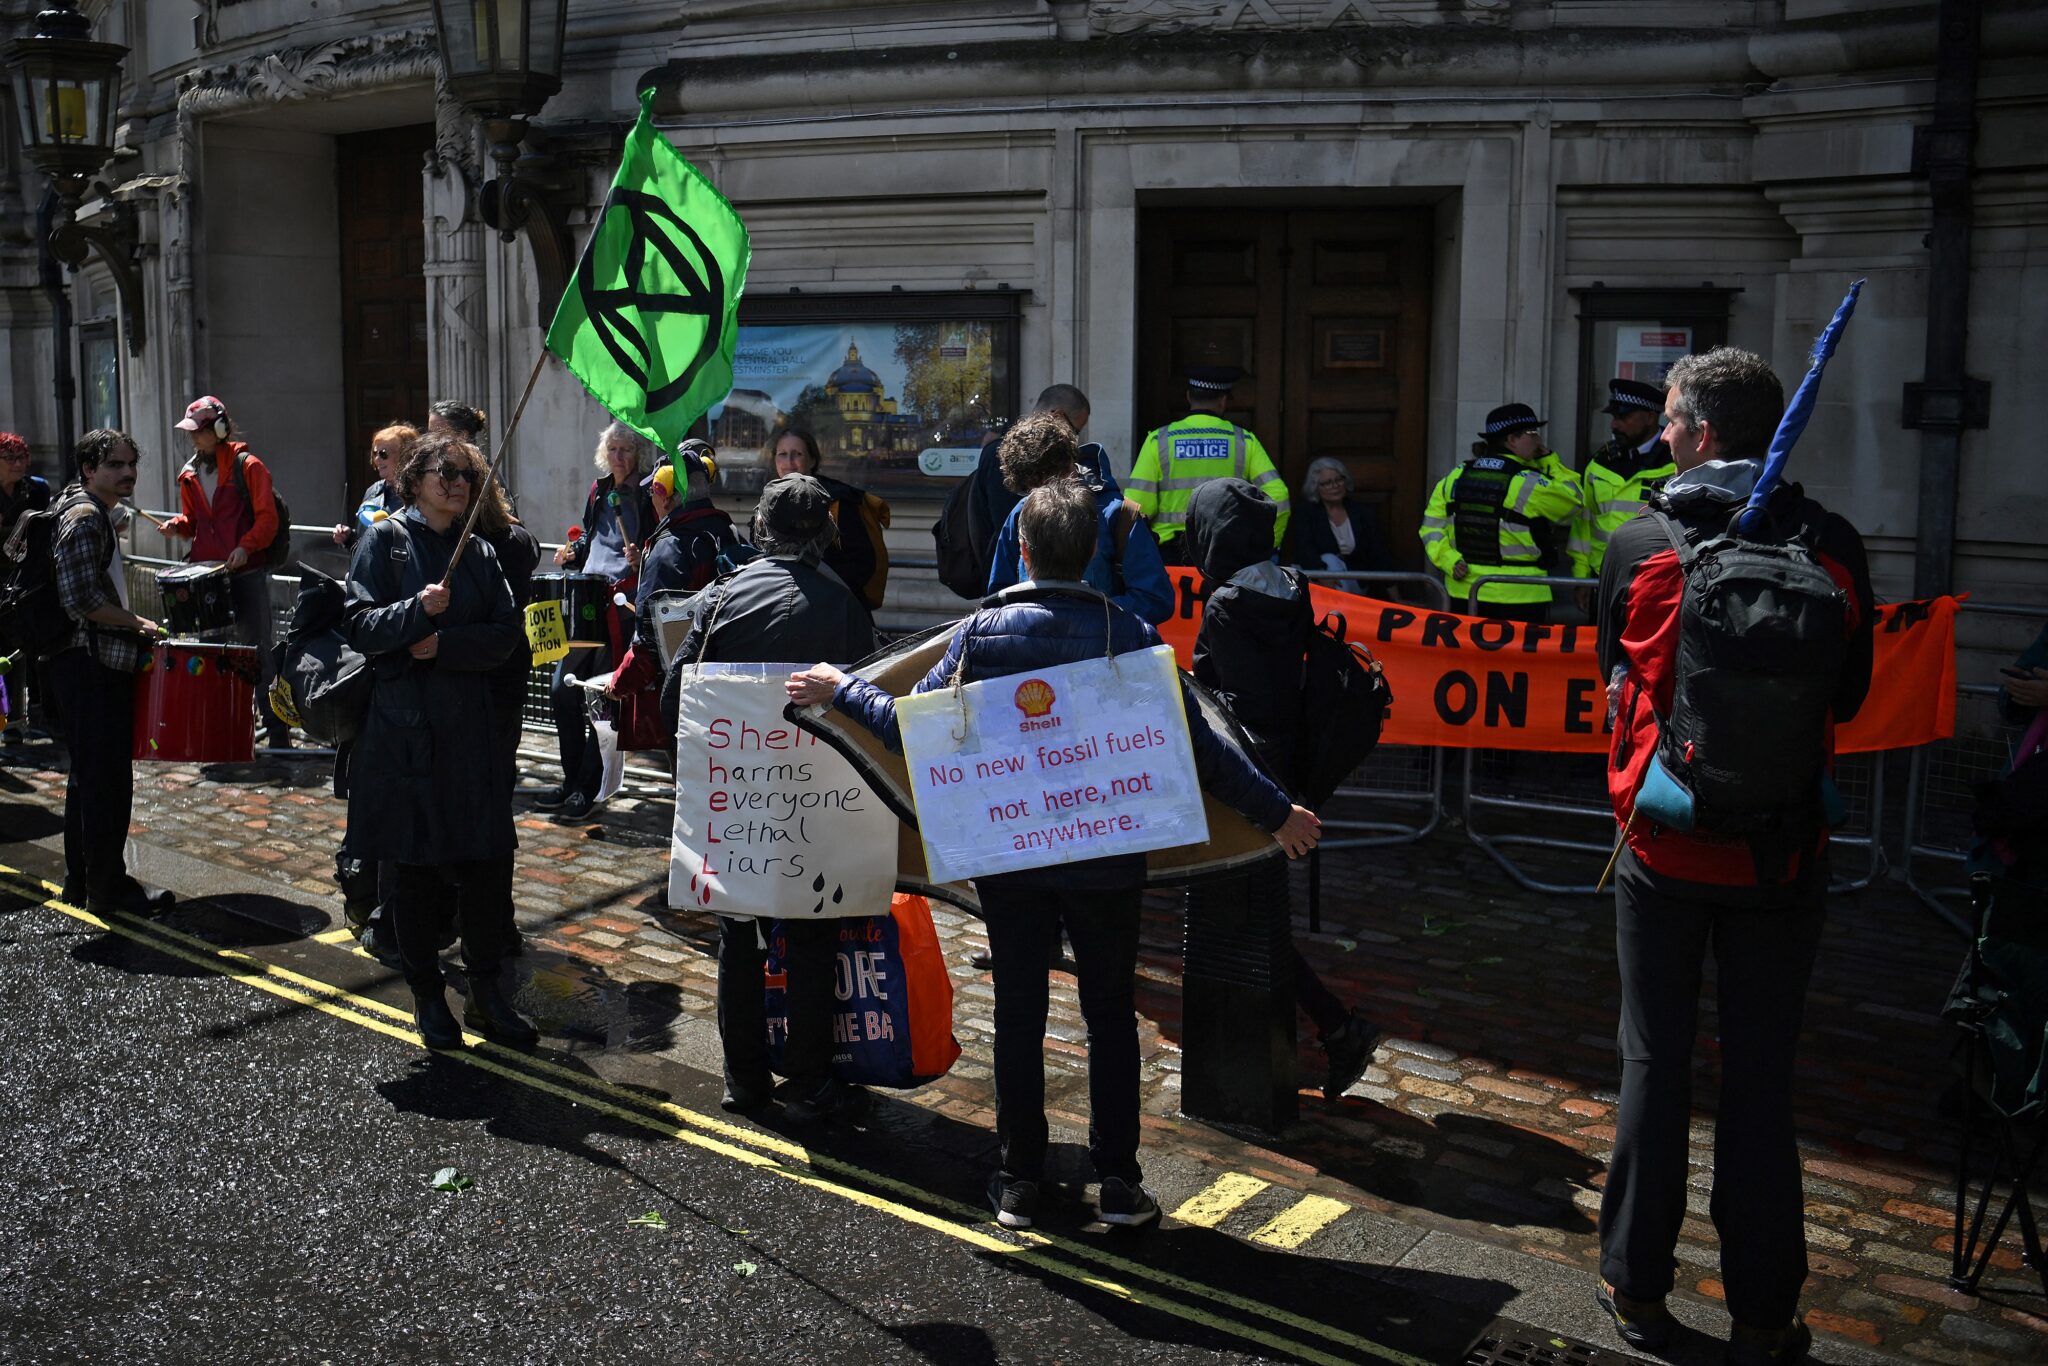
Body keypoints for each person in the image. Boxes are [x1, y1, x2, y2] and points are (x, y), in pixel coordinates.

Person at [788, 477, 1321, 1231]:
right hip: (1107, 861)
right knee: (1110, 1018)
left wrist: (841, 688)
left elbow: (909, 726)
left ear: (1024, 550)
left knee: (1018, 1015)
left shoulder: (981, 635)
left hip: (1013, 860)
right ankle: (1120, 1182)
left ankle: (1018, 1181)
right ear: (1095, 550)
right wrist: (1278, 814)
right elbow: (1203, 750)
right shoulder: (1129, 635)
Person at [1594, 347, 1874, 1366]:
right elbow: (1849, 696)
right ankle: (1762, 1311)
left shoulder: (1641, 543)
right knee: (1759, 1080)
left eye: (1670, 419)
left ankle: (1635, 1284)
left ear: (1700, 432)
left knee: (1653, 1062)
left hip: (1663, 845)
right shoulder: (1832, 543)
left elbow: (1613, 672)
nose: (1662, 431)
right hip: (1782, 851)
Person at [669, 474, 878, 1122]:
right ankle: (811, 1076)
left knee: (739, 939)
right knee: (813, 937)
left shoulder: (722, 598)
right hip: (815, 806)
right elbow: (867, 705)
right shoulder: (844, 604)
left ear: (761, 528)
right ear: (825, 533)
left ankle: (744, 1080)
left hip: (738, 803)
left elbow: (677, 696)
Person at [1185, 477, 1378, 1099]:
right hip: (1287, 766)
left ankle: (1336, 1029)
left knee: (1243, 915)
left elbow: (1240, 705)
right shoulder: (1292, 585)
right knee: (1253, 911)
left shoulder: (1225, 604)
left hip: (1246, 776)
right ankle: (1333, 1029)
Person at [341, 433, 536, 1051]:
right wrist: (414, 613)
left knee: (485, 868)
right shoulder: (385, 541)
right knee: (416, 873)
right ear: (416, 479)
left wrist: (443, 645)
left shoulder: (478, 550)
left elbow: (505, 634)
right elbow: (359, 625)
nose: (456, 484)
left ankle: (485, 994)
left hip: (472, 735)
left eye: (466, 476)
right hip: (408, 736)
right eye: (445, 473)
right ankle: (427, 996)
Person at [47, 429, 174, 917]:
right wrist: (137, 622)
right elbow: (80, 599)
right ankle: (109, 889)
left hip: (81, 663)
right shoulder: (85, 517)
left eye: (131, 464)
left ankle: (81, 881)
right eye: (115, 465)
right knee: (107, 783)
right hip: (92, 664)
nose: (128, 473)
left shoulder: (82, 507)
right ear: (88, 469)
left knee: (88, 778)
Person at [538, 421, 655, 821]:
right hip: (587, 597)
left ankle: (586, 789)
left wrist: (643, 557)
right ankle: (571, 779)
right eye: (612, 449)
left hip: (621, 604)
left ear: (638, 454)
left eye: (626, 450)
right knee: (562, 690)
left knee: (602, 699)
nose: (618, 457)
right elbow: (591, 537)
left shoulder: (647, 493)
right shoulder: (598, 489)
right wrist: (574, 550)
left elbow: (658, 542)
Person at [158, 395, 291, 748]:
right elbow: (193, 521)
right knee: (212, 654)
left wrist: (246, 546)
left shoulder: (249, 466)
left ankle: (278, 734)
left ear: (220, 428)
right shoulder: (189, 473)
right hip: (208, 577)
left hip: (246, 574)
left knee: (258, 653)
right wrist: (178, 526)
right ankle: (224, 732)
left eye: (198, 431)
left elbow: (267, 520)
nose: (193, 437)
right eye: (190, 432)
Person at [985, 411, 1172, 625]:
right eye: (1035, 488)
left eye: (1050, 481)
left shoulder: (1119, 516)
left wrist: (1083, 617)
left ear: (1071, 465)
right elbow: (1000, 598)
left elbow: (1155, 599)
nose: (1044, 494)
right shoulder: (1020, 514)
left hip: (1103, 645)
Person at [604, 442, 739, 716]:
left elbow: (648, 643)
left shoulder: (668, 549)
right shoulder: (730, 533)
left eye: (653, 491)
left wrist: (619, 683)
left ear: (664, 494)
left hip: (676, 700)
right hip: (726, 690)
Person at [1418, 403, 1579, 622]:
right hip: (1521, 597)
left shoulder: (1456, 475)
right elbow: (1574, 502)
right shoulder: (1529, 483)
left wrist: (1450, 561)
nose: (1538, 440)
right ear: (1511, 440)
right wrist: (1549, 459)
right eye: (1532, 433)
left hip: (1465, 594)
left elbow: (1431, 529)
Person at [1129, 366, 1289, 563]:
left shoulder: (1159, 440)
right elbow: (1279, 496)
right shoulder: (1243, 441)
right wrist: (1266, 547)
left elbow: (1137, 504)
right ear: (1223, 401)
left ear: (1189, 397)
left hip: (1172, 556)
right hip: (1227, 553)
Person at [970, 385, 1121, 569]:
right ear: (1058, 417)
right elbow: (1008, 530)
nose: (1075, 440)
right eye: (1075, 431)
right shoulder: (1001, 457)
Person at [1569, 378, 1676, 586]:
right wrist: (1580, 575)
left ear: (1649, 417)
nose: (1614, 425)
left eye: (1623, 417)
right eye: (1613, 417)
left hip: (1654, 580)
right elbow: (1584, 523)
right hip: (1601, 578)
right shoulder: (1601, 461)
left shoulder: (1675, 461)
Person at [764, 423, 883, 609]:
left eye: (797, 454)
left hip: (834, 609)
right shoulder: (768, 503)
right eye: (782, 454)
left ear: (812, 460)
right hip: (785, 607)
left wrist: (817, 591)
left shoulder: (838, 502)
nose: (789, 461)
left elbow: (862, 563)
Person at [0, 430, 53, 740]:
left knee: (33, 647)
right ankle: (9, 721)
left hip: (28, 580)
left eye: (21, 457)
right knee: (4, 653)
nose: (18, 464)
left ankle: (38, 712)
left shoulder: (36, 489)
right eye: (9, 458)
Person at [1291, 456, 1389, 589]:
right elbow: (1305, 549)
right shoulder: (1306, 513)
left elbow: (1378, 553)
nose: (1335, 486)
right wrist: (1321, 576)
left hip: (1355, 581)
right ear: (1315, 487)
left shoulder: (1362, 513)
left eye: (1339, 480)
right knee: (1329, 560)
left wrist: (1395, 596)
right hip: (1317, 580)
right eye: (1327, 482)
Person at [332, 423, 415, 549]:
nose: (376, 459)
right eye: (375, 453)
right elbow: (365, 545)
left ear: (404, 455)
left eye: (383, 454)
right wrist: (348, 538)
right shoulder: (373, 490)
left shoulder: (418, 493)